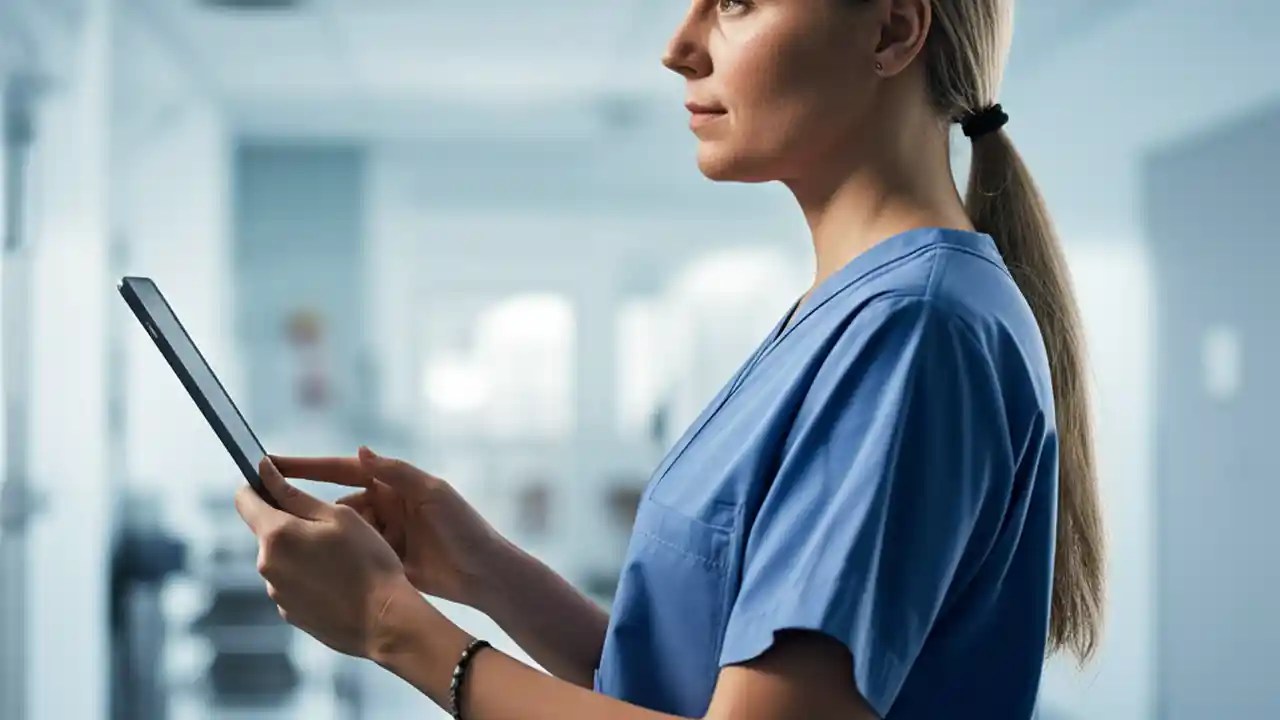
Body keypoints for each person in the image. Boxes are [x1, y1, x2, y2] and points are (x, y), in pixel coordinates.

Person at [233, 0, 1106, 718]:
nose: (678, 48)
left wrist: (391, 625)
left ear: (889, 32)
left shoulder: (914, 330)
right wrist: (486, 568)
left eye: (734, 5)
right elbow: (690, 687)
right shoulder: (855, 312)